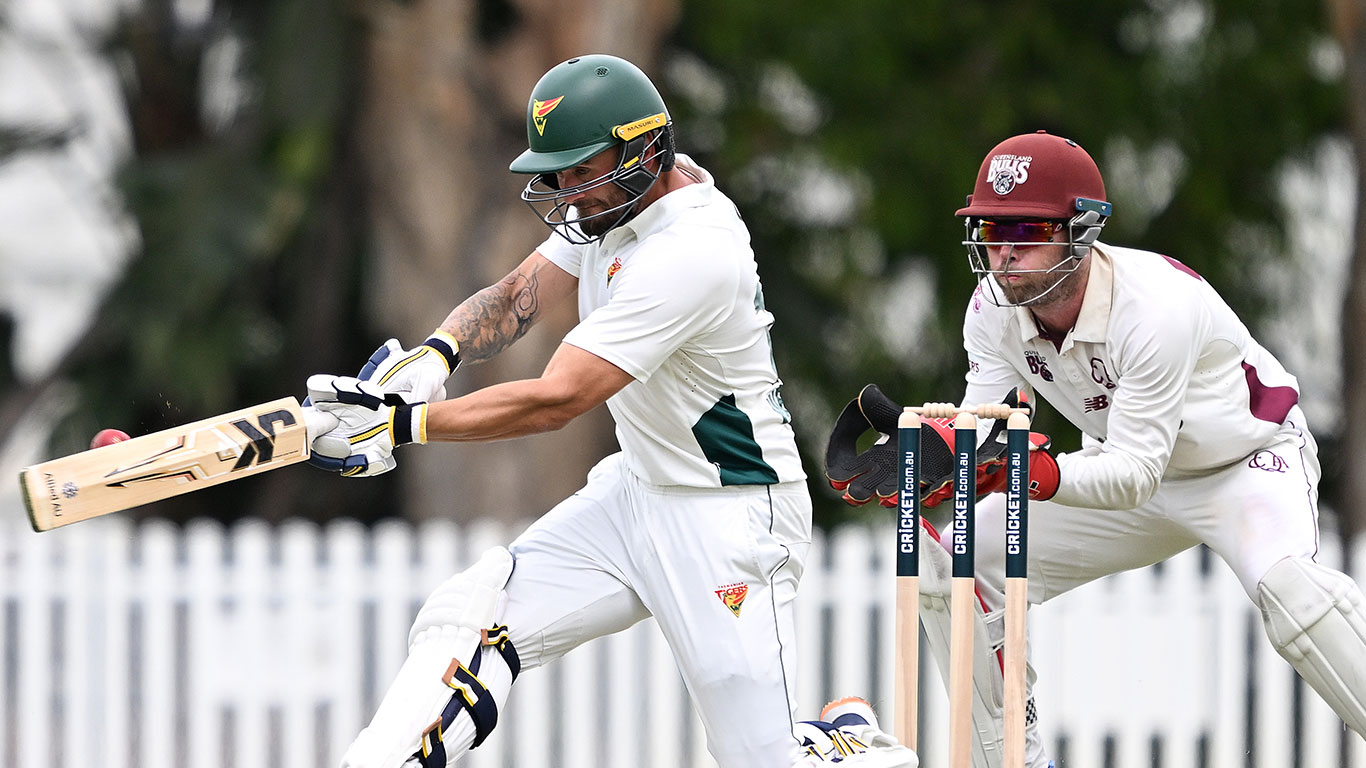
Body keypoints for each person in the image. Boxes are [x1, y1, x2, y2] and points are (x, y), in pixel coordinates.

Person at [301, 54, 914, 768]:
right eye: (557, 176)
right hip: (635, 493)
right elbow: (517, 294)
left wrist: (403, 425)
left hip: (731, 518)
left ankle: (843, 749)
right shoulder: (608, 204)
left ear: (648, 148)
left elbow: (558, 399)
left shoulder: (693, 251)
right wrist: (433, 358)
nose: (567, 194)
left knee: (761, 761)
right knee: (473, 612)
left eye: (580, 171)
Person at [826, 130, 1366, 767]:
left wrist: (1034, 473)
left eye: (1026, 232)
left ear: (1080, 232)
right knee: (955, 566)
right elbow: (990, 429)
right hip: (1126, 470)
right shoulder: (991, 310)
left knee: (1292, 597)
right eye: (991, 233)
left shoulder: (1156, 309)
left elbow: (1134, 472)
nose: (1004, 256)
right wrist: (949, 450)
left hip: (1243, 467)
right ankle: (1015, 762)